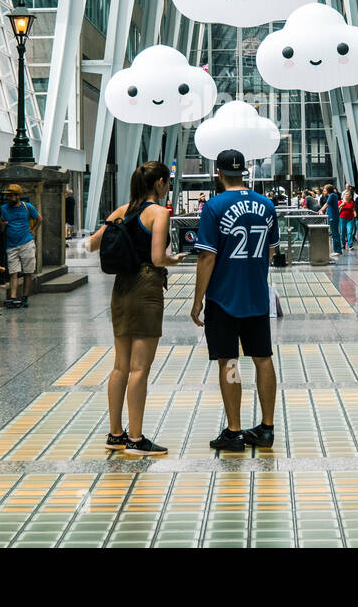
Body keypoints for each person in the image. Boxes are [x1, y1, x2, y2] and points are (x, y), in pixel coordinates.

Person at [87, 161, 185, 456]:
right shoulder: (159, 213)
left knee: (120, 366)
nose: (167, 186)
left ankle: (116, 434)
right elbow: (157, 257)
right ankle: (136, 438)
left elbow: (92, 244)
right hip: (146, 288)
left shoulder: (122, 210)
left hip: (121, 288)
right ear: (159, 183)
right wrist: (174, 259)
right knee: (140, 368)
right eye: (166, 182)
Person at [191, 150, 280, 452]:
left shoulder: (214, 206)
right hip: (256, 296)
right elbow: (270, 251)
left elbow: (206, 256)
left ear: (218, 172)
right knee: (263, 358)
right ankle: (266, 429)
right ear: (244, 172)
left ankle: (234, 431)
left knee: (229, 360)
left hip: (223, 299)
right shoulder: (266, 205)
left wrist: (197, 299)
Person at [0, 184, 42, 308]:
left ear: (18, 196)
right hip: (11, 245)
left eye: (12, 195)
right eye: (9, 195)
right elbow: (2, 230)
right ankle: (13, 297)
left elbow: (39, 219)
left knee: (28, 272)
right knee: (13, 272)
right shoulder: (4, 209)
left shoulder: (27, 207)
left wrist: (33, 231)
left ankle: (25, 297)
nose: (10, 197)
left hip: (26, 242)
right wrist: (2, 225)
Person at [323, 184, 342, 256]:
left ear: (328, 190)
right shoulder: (333, 195)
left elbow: (326, 204)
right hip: (333, 216)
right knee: (335, 233)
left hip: (333, 217)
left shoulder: (332, 195)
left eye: (325, 190)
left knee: (335, 234)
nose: (324, 191)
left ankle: (337, 250)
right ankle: (337, 250)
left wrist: (320, 210)